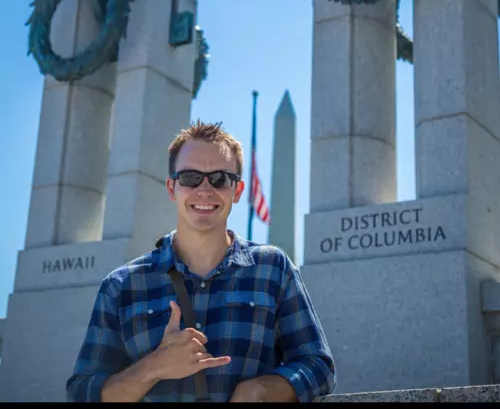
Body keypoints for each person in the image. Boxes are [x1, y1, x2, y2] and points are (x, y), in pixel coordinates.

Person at [66, 121, 336, 402]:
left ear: (238, 190)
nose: (205, 189)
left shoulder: (273, 268)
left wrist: (262, 390)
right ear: (172, 188)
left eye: (219, 178)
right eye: (190, 177)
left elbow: (318, 366)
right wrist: (153, 368)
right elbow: (82, 392)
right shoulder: (121, 286)